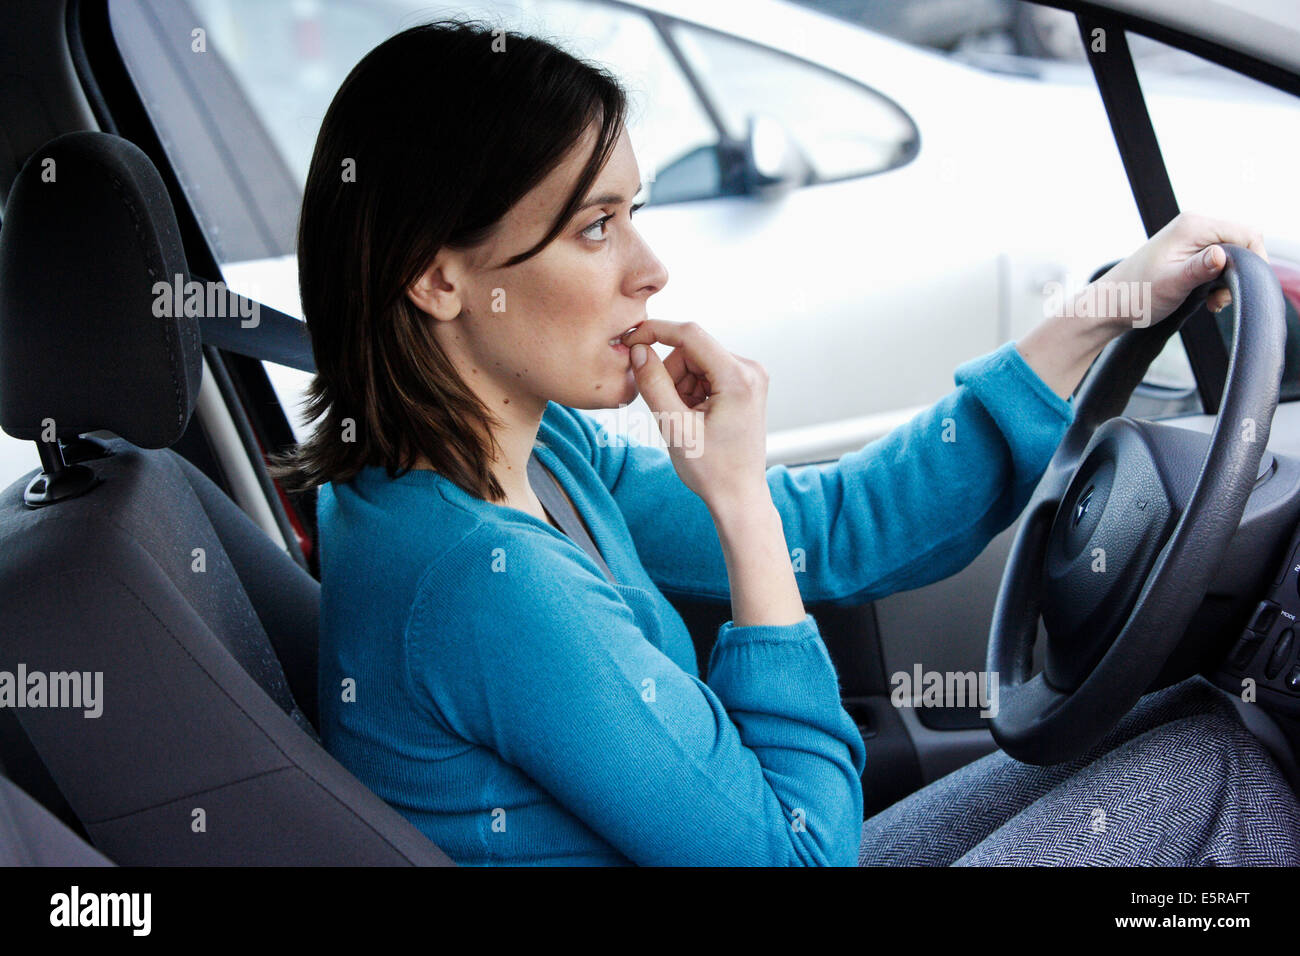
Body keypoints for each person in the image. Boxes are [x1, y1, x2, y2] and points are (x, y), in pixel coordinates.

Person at [268, 18, 1300, 866]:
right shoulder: (483, 582)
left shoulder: (529, 461)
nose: (651, 267)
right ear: (439, 276)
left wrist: (1105, 306)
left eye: (637, 213)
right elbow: (797, 859)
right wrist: (740, 508)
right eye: (595, 227)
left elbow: (839, 526)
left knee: (1179, 717)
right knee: (1222, 785)